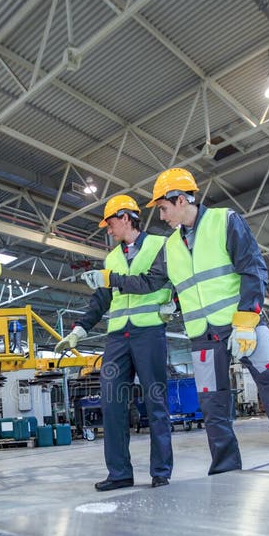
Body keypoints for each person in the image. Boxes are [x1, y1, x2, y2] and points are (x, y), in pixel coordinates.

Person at [87, 168, 269, 475]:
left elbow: (253, 270)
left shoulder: (225, 221)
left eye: (163, 208)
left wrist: (246, 320)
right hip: (202, 335)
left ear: (179, 200)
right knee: (213, 407)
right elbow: (150, 283)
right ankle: (226, 469)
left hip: (246, 325)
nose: (161, 217)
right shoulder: (171, 245)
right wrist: (113, 279)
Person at [56, 194, 174, 491]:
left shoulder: (160, 245)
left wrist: (175, 304)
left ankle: (160, 471)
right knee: (112, 403)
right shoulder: (111, 259)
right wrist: (79, 331)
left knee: (156, 402)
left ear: (125, 218)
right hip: (118, 338)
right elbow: (101, 301)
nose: (108, 231)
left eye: (110, 224)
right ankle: (119, 472)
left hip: (149, 333)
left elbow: (154, 283)